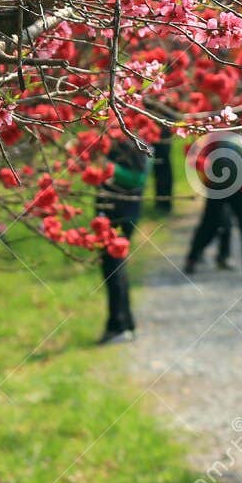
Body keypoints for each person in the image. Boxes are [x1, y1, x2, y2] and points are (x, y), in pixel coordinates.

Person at [184, 132, 242, 278]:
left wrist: (208, 168)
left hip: (217, 186)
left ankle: (192, 259)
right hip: (238, 187)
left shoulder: (215, 133)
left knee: (208, 223)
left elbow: (195, 156)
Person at [97, 135, 149, 344]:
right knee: (114, 268)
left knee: (114, 268)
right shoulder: (113, 139)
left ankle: (118, 325)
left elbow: (138, 179)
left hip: (121, 215)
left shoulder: (133, 141)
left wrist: (108, 167)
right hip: (109, 214)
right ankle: (125, 323)